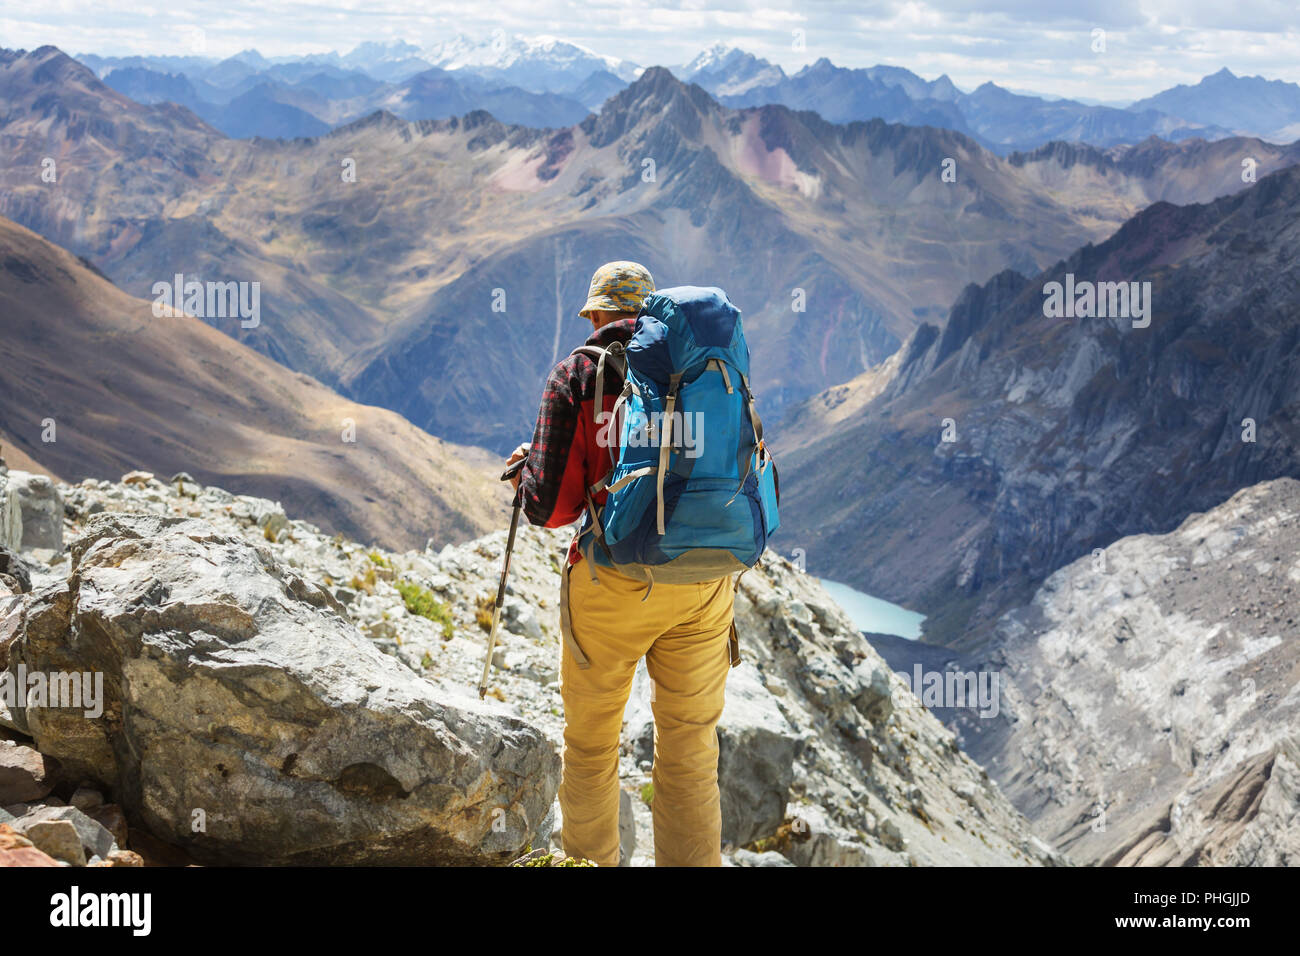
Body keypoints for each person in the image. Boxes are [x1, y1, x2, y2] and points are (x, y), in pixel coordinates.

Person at [506, 261, 735, 867]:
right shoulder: (699, 365)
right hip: (705, 581)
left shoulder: (580, 375)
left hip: (616, 581)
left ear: (600, 314)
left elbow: (549, 508)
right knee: (689, 751)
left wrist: (529, 472)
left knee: (590, 750)